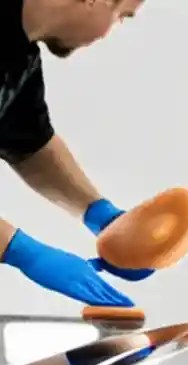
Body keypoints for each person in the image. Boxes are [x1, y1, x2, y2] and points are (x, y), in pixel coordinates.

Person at [0, 0, 148, 309]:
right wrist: (22, 251)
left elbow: (30, 145)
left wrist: (100, 214)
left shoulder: (19, 55)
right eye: (120, 16)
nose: (110, 31)